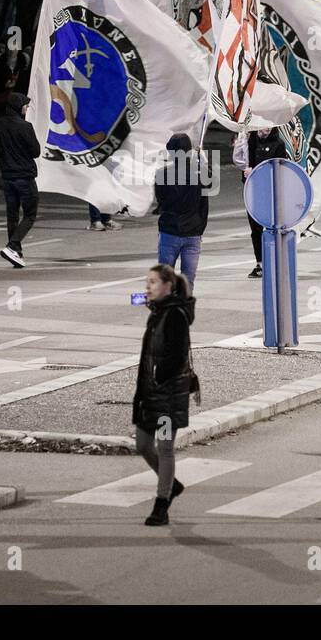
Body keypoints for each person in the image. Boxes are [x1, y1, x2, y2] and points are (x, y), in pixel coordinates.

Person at [133, 263, 196, 527]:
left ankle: (162, 504)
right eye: (147, 282)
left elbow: (177, 355)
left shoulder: (176, 315)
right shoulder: (158, 311)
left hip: (168, 394)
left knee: (164, 448)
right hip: (149, 392)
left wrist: (160, 376)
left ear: (168, 286)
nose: (147, 287)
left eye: (153, 282)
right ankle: (172, 484)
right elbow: (138, 299)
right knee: (142, 446)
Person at [155, 133, 209, 290]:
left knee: (165, 279)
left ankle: (165, 310)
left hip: (170, 230)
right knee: (188, 280)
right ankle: (184, 311)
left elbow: (161, 202)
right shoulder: (199, 174)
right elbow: (203, 204)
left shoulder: (162, 174)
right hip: (193, 232)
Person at [0, 91, 41, 267]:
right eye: (25, 105)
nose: (27, 108)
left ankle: (15, 252)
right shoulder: (25, 126)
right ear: (19, 106)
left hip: (7, 175)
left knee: (12, 215)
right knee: (29, 214)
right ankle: (13, 246)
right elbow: (36, 151)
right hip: (24, 176)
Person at [234, 127, 287, 278]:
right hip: (252, 192)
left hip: (270, 192)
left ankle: (276, 262)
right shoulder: (250, 140)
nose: (266, 128)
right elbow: (242, 163)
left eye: (269, 125)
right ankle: (260, 263)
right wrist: (241, 143)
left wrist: (255, 172)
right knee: (255, 230)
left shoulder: (278, 144)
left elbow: (279, 170)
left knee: (272, 228)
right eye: (263, 125)